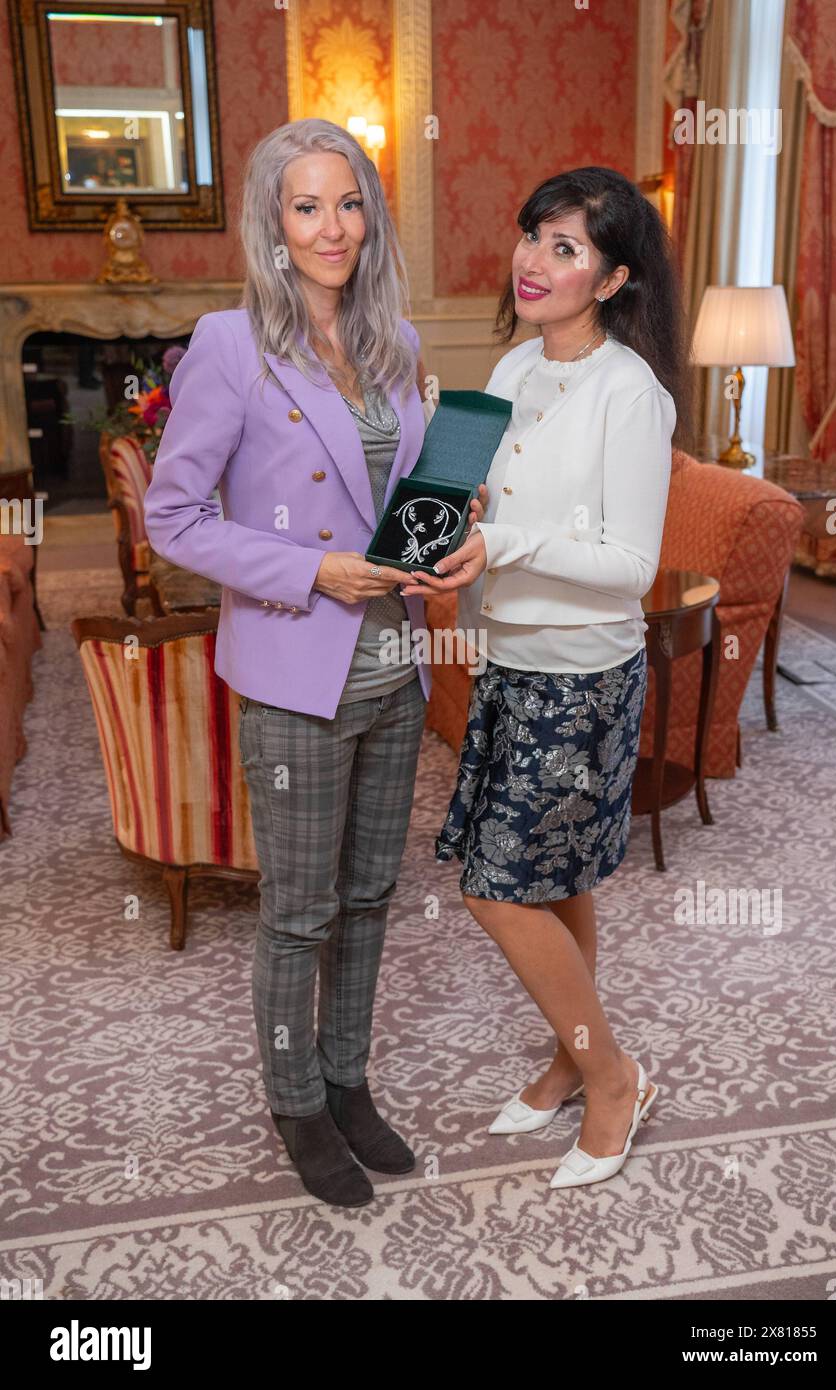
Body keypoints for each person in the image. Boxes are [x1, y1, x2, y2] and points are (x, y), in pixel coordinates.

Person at [144, 118, 486, 1209]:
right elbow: (175, 516)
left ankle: (347, 1080)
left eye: (348, 203)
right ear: (273, 224)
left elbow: (402, 503)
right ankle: (295, 1101)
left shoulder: (395, 342)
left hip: (396, 670)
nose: (332, 226)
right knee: (300, 910)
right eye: (308, 206)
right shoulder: (230, 344)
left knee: (373, 896)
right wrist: (310, 569)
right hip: (297, 671)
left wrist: (449, 530)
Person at [401, 166, 690, 1189]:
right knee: (557, 875)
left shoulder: (632, 394)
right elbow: (480, 500)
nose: (536, 258)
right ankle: (571, 1056)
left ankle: (614, 1077)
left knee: (493, 888)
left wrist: (505, 537)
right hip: (510, 660)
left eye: (567, 247)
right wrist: (449, 519)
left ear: (613, 278)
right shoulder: (518, 368)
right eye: (534, 235)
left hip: (582, 677)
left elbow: (628, 564)